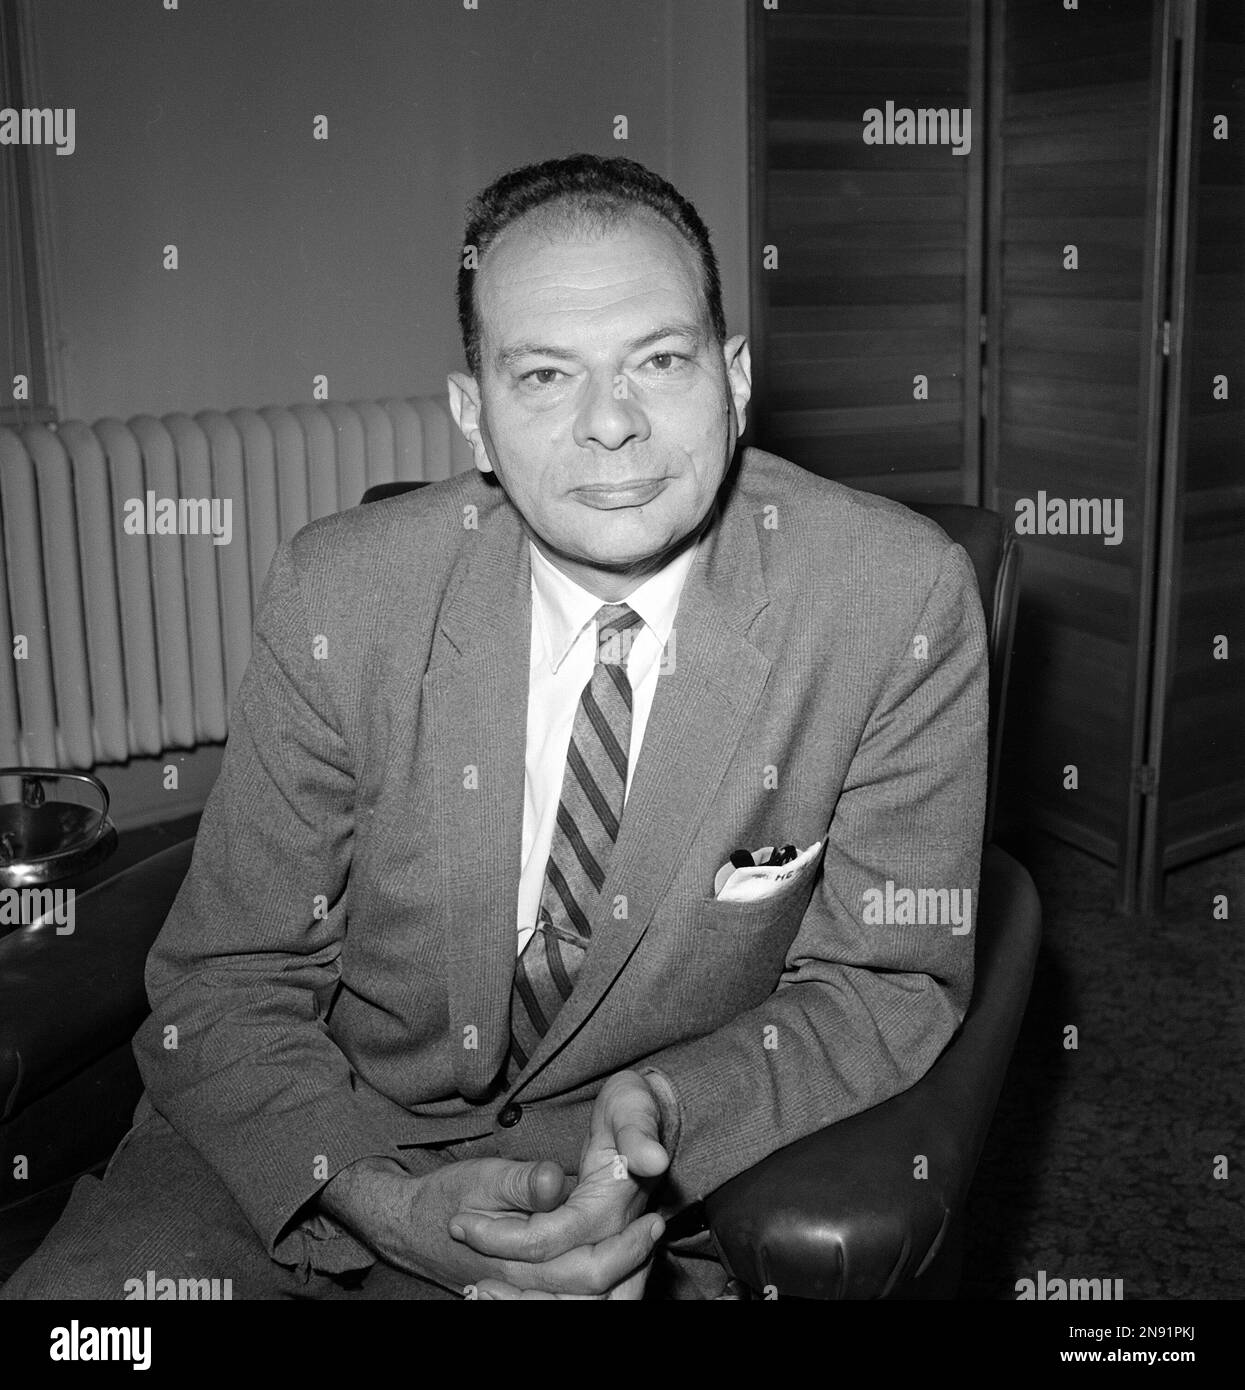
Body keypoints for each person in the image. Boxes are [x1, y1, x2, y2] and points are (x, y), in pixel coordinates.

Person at [1, 153, 987, 1301]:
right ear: (473, 415)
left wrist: (670, 1120)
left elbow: (887, 980)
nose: (611, 425)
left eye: (660, 361)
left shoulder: (892, 598)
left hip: (626, 1179)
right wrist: (369, 1190)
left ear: (735, 378)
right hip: (302, 1129)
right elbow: (229, 974)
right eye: (545, 375)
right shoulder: (339, 595)